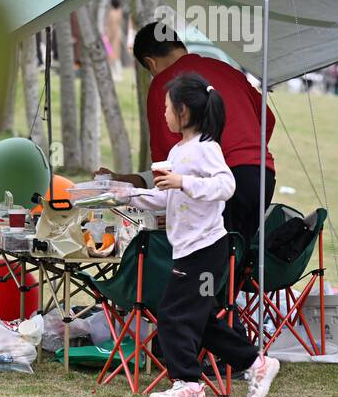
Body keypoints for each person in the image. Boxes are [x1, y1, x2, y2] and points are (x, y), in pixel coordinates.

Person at [121, 73, 280, 397]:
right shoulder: (180, 151)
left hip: (205, 248)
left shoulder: (206, 148)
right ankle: (257, 363)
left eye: (166, 107)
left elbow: (226, 186)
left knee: (172, 315)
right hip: (190, 247)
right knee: (200, 319)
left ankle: (189, 384)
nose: (163, 113)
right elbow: (168, 199)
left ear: (184, 111)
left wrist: (184, 182)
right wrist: (127, 196)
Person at [96, 22, 276, 245]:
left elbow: (166, 167)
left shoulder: (165, 84)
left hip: (220, 187)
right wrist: (246, 152)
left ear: (150, 63)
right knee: (235, 262)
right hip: (262, 177)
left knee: (210, 263)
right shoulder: (225, 68)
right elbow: (268, 119)